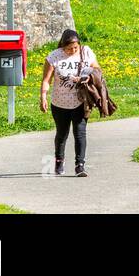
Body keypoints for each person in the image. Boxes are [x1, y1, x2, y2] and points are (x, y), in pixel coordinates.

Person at [39, 28, 99, 177]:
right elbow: (46, 80)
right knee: (62, 133)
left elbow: (97, 70)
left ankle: (80, 165)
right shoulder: (54, 57)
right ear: (62, 46)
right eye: (69, 48)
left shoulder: (86, 52)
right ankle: (59, 160)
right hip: (59, 102)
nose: (73, 50)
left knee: (80, 132)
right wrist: (43, 97)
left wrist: (87, 78)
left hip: (80, 100)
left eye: (75, 47)